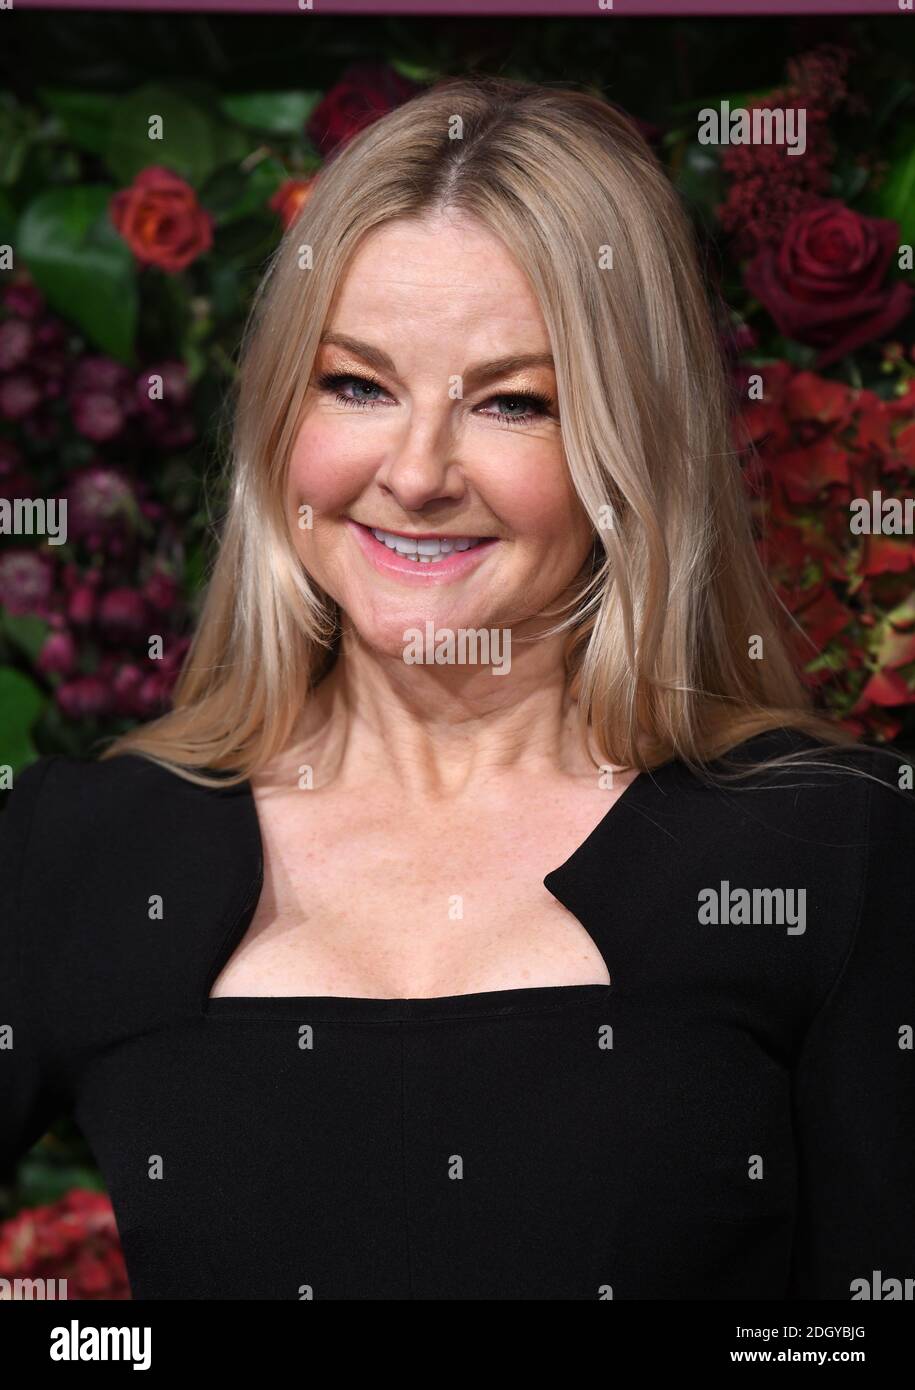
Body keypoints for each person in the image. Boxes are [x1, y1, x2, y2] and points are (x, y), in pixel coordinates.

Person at [1, 76, 912, 1301]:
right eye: (357, 385)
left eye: (512, 402)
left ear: (629, 447)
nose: (419, 472)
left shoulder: (834, 848)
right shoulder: (86, 847)